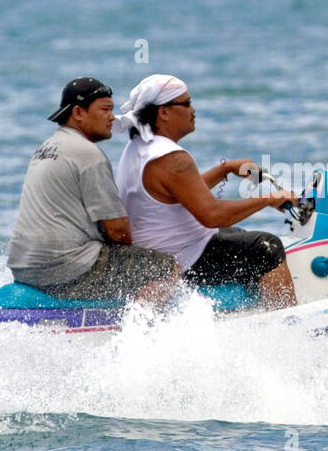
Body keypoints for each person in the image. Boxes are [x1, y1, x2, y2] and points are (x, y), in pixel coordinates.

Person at [113, 74, 298, 309]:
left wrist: (225, 169)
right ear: (164, 113)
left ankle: (250, 304)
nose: (193, 110)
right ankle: (287, 321)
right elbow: (212, 215)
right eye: (186, 103)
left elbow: (179, 191)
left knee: (237, 232)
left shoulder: (139, 147)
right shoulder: (172, 158)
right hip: (183, 258)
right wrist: (269, 199)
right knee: (266, 247)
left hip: (162, 250)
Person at [7, 77, 179, 306]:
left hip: (23, 268)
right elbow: (119, 233)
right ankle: (142, 330)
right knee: (167, 267)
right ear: (78, 113)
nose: (112, 117)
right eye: (106, 110)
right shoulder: (88, 154)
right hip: (66, 270)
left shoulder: (45, 148)